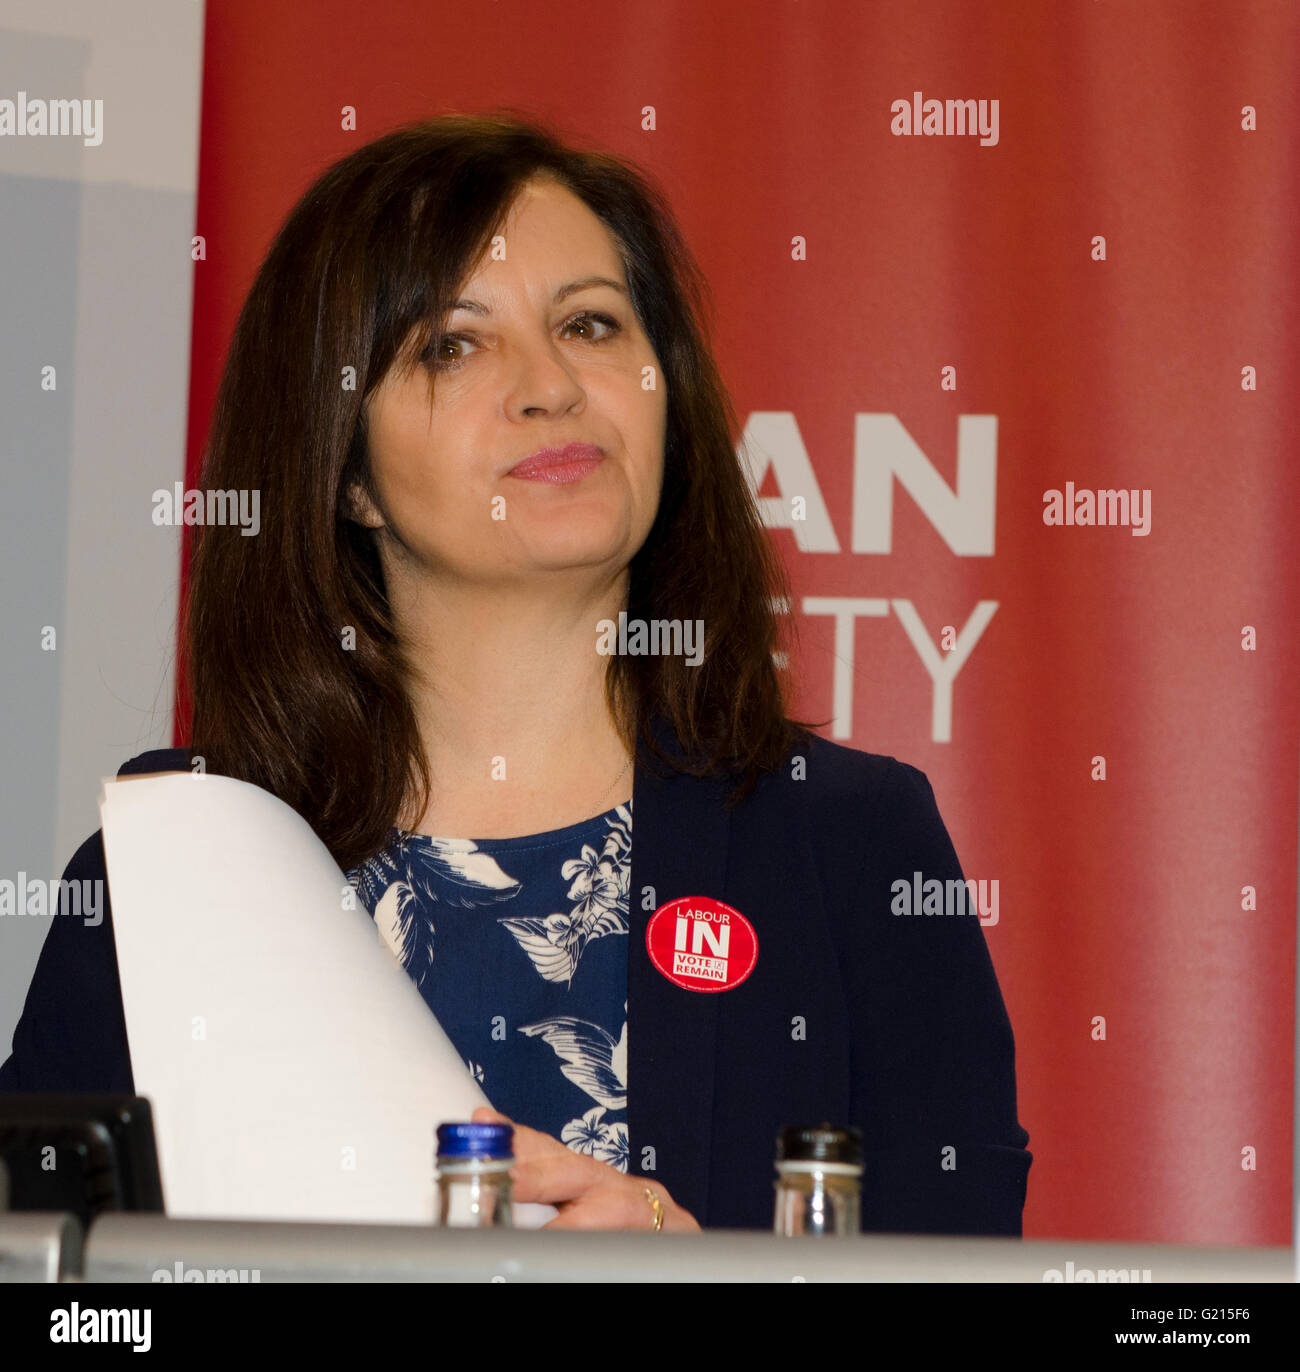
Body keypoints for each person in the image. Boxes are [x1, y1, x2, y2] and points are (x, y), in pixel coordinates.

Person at [0, 112, 1032, 1235]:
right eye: (452, 343)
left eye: (591, 324)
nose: (551, 386)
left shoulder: (852, 842)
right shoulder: (169, 874)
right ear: (343, 470)